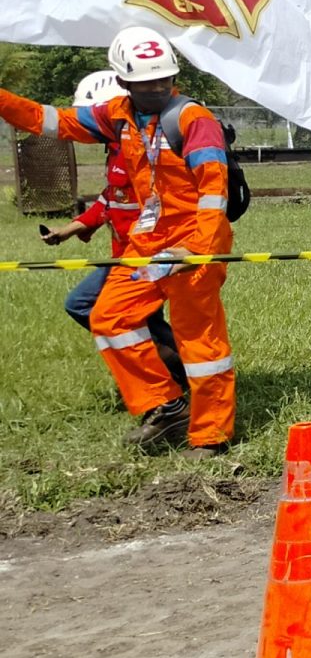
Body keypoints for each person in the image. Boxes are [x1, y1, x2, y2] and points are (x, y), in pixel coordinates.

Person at [0, 27, 237, 452]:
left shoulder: (192, 120)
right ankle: (165, 406)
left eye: (164, 80)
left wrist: (199, 248)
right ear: (124, 82)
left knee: (200, 343)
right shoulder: (115, 114)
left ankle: (211, 436)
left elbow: (213, 188)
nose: (157, 89)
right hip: (147, 244)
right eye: (147, 84)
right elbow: (47, 120)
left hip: (193, 240)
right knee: (108, 318)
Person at [37, 71, 186, 390]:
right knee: (145, 321)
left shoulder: (144, 150)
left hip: (144, 258)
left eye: (92, 116)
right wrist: (69, 229)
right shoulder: (118, 149)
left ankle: (168, 374)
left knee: (85, 304)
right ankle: (173, 374)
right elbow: (111, 198)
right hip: (125, 258)